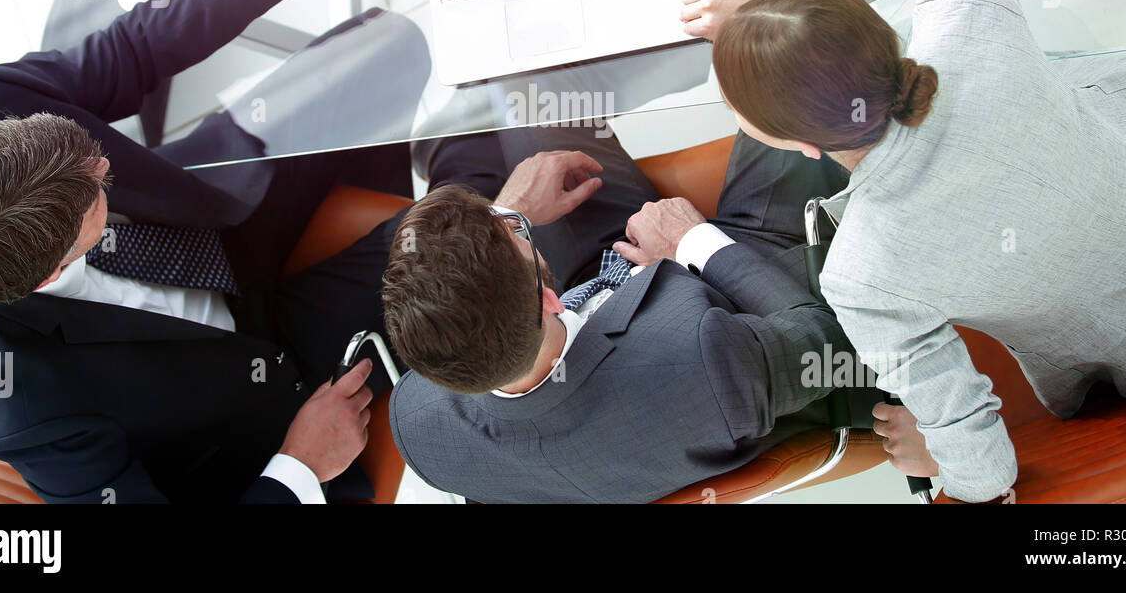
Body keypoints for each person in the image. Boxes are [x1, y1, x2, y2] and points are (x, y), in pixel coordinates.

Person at [685, 0, 1126, 502]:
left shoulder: (863, 274)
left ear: (800, 145)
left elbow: (985, 471)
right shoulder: (971, 18)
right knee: (974, 6)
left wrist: (937, 459)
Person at [0, 0, 425, 503]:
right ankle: (425, 270)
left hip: (215, 205)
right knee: (485, 235)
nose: (107, 166)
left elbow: (129, 51)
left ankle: (398, 246)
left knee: (389, 47)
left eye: (85, 151)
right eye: (94, 196)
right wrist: (296, 468)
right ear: (53, 271)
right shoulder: (32, 416)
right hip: (272, 389)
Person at [381, 122, 889, 503]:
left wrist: (510, 210)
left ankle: (441, 140)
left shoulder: (420, 427)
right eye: (518, 236)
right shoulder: (703, 362)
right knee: (786, 77)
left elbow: (465, 304)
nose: (517, 225)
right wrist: (694, 244)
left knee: (536, 101)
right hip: (736, 285)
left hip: (596, 280)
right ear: (544, 298)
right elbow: (828, 343)